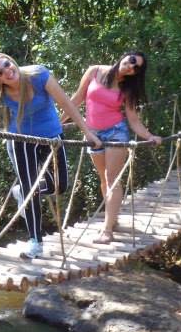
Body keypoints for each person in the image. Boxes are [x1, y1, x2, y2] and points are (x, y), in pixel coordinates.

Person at [0, 53, 101, 259]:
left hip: (51, 138)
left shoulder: (39, 75)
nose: (7, 72)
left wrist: (88, 133)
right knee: (31, 191)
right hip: (21, 141)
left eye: (7, 65)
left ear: (13, 61)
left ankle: (23, 192)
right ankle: (35, 241)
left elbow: (67, 105)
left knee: (60, 185)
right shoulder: (1, 93)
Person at [69, 51, 161, 243]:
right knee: (103, 179)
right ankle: (113, 220)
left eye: (136, 68)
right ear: (125, 56)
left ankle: (107, 230)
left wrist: (150, 136)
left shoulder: (127, 89)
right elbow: (76, 100)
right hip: (92, 134)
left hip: (115, 133)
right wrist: (56, 124)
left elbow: (134, 120)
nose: (131, 67)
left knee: (113, 179)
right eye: (132, 61)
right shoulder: (94, 71)